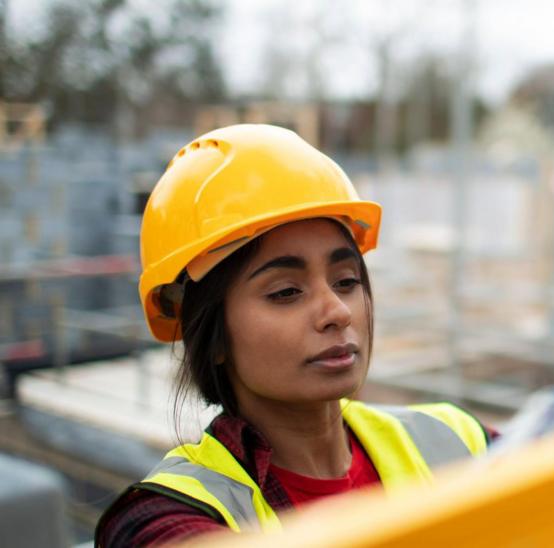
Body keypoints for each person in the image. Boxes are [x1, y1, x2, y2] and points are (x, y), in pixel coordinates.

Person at [95, 124, 491, 546]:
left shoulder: (454, 435)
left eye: (346, 281)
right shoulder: (169, 513)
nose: (337, 312)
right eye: (286, 291)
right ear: (212, 337)